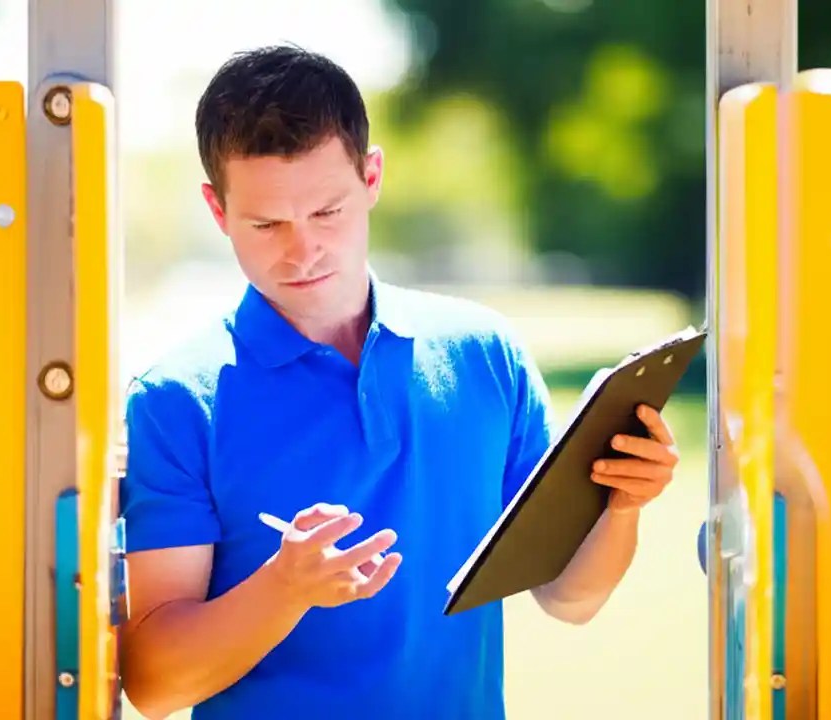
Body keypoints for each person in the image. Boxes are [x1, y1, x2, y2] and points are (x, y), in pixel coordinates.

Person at [118, 45, 683, 720]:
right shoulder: (175, 401)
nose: (302, 251)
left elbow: (571, 597)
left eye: (326, 212)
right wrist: (284, 588)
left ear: (372, 176)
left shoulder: (485, 355)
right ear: (217, 210)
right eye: (267, 224)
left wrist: (621, 505)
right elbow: (155, 687)